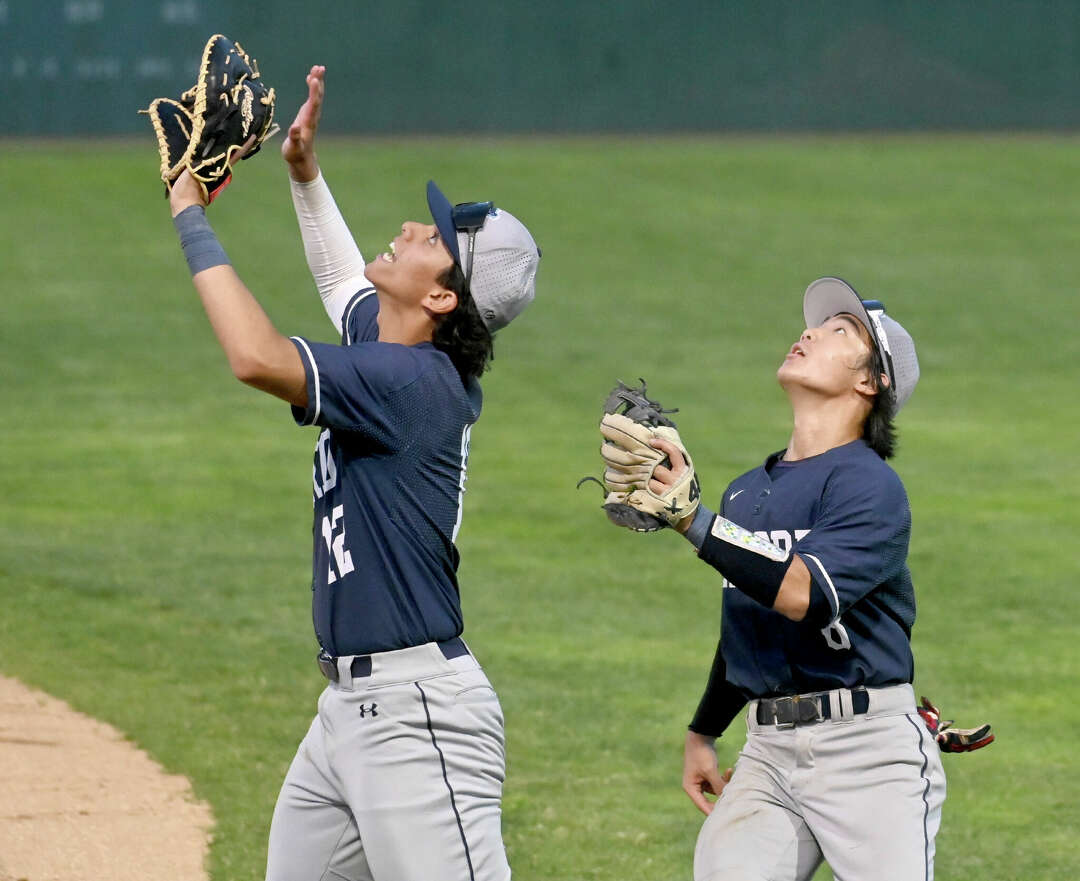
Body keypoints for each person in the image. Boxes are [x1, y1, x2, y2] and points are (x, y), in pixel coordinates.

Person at [164, 65, 540, 881]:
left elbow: (255, 356)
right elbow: (342, 284)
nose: (409, 226)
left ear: (442, 300)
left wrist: (189, 210)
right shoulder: (399, 351)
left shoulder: (409, 385)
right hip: (351, 715)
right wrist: (304, 173)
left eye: (432, 240)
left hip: (418, 719)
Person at [609, 278, 945, 880]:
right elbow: (748, 625)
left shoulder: (870, 487)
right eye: (814, 325)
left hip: (868, 754)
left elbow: (803, 595)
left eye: (839, 331)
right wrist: (704, 731)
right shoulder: (747, 492)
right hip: (767, 755)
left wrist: (692, 521)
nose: (809, 333)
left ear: (871, 381)